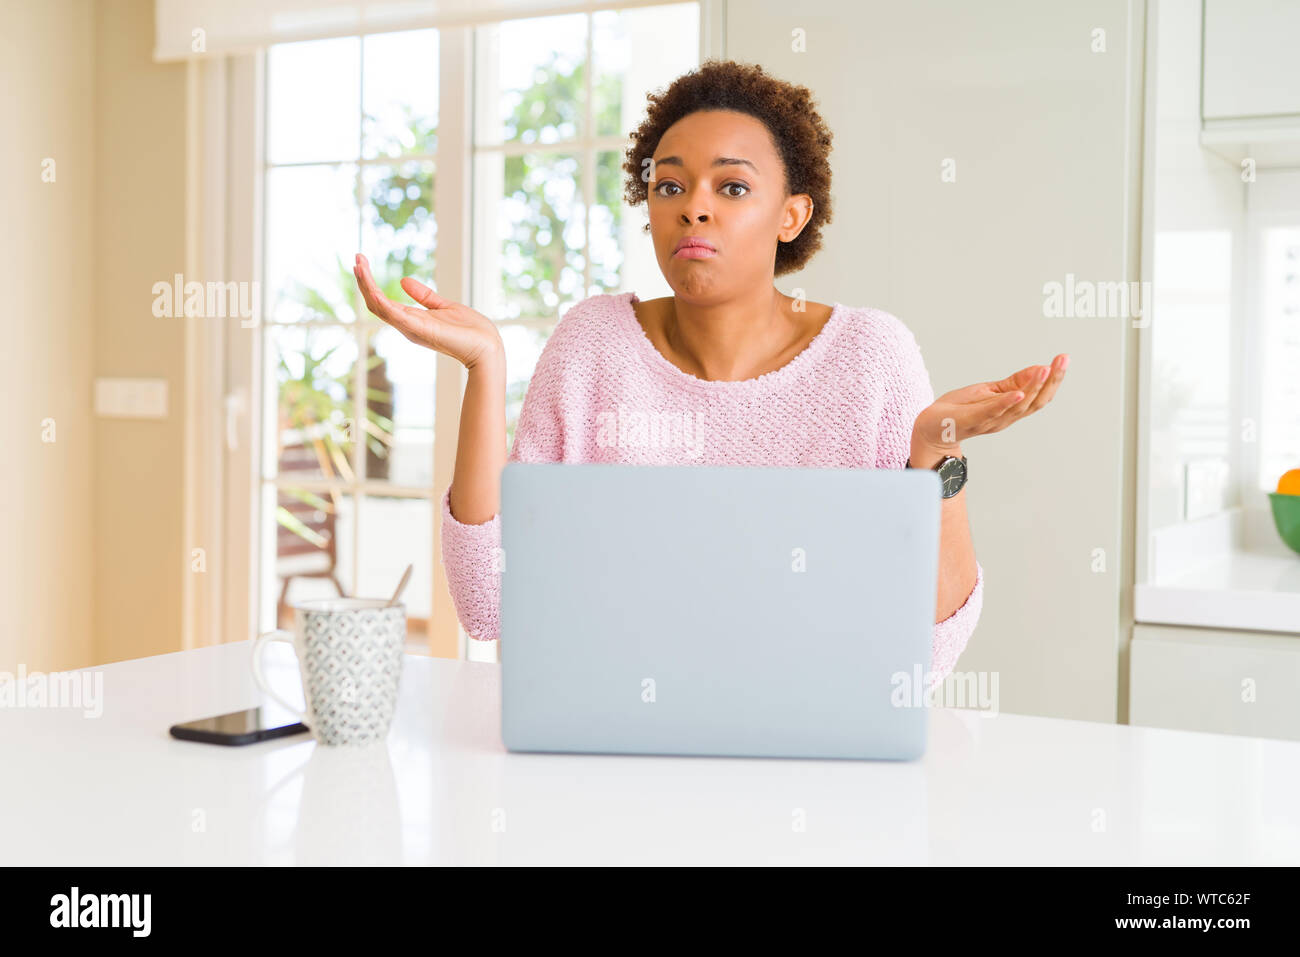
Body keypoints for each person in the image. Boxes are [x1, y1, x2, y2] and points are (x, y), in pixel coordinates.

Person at [353, 59, 1067, 683]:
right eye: (670, 187)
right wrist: (486, 366)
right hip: (609, 765)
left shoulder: (873, 359)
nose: (693, 206)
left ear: (791, 214)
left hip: (812, 776)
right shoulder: (592, 346)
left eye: (731, 189)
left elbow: (930, 650)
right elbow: (487, 603)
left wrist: (936, 449)